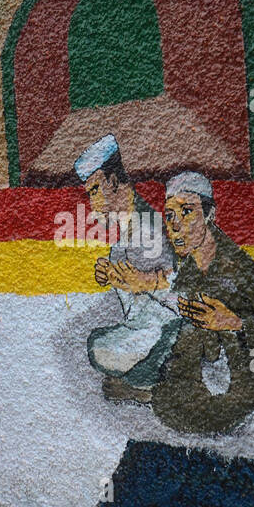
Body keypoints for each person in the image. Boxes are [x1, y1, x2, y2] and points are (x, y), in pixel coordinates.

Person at [150, 171, 254, 433]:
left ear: (210, 215)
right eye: (169, 215)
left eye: (186, 212)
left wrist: (234, 322)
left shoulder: (240, 269)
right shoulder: (189, 269)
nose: (175, 224)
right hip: (215, 370)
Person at [76, 135, 179, 404]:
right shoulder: (126, 228)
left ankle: (152, 379)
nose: (93, 202)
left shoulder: (148, 227)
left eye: (95, 190)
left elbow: (180, 290)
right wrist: (111, 274)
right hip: (144, 328)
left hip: (169, 329)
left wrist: (145, 281)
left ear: (112, 181)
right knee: (97, 343)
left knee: (101, 348)